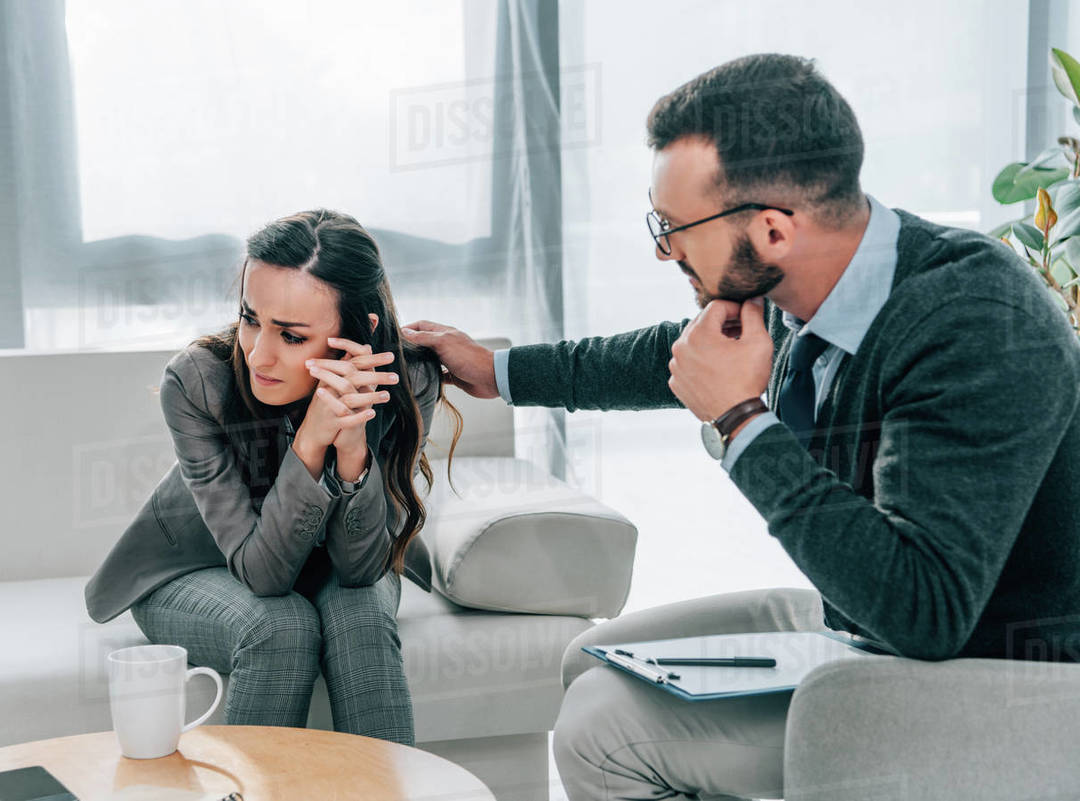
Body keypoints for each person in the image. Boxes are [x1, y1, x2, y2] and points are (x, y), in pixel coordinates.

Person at [404, 53, 1080, 799]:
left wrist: (740, 421)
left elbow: (925, 611)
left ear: (772, 229)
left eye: (674, 228)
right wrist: (495, 372)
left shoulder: (976, 322)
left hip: (1001, 683)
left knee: (600, 731)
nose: (665, 250)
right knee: (589, 661)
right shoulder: (819, 278)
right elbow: (670, 353)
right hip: (864, 625)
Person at [85, 209, 460, 746]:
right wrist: (310, 442)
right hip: (192, 571)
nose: (259, 354)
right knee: (280, 625)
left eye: (291, 335)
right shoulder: (198, 381)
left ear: (362, 331)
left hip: (335, 567)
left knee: (359, 615)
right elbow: (264, 577)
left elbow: (359, 570)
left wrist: (351, 447)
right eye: (250, 318)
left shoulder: (408, 379)